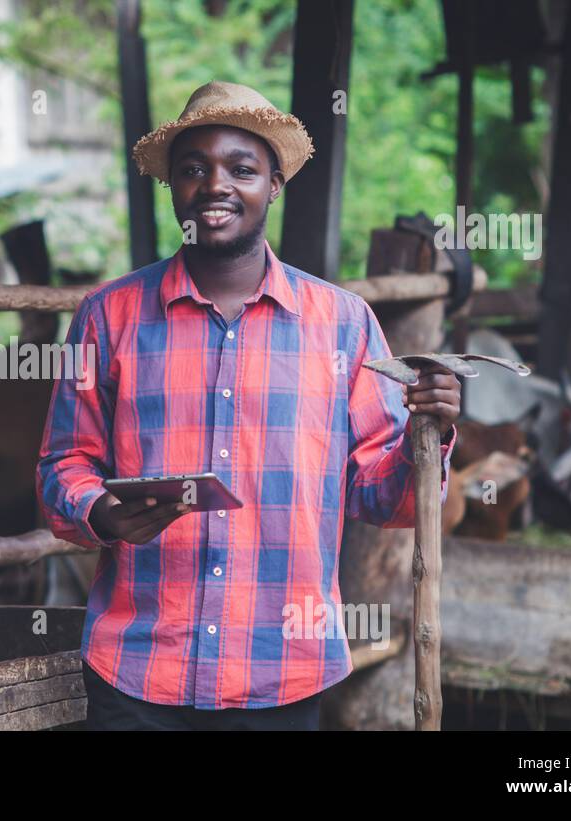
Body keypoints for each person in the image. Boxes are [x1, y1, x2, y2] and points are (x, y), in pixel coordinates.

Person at [36, 80, 461, 731]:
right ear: (173, 186)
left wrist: (429, 431)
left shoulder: (343, 325)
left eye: (241, 168)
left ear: (276, 183)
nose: (215, 185)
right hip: (137, 668)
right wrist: (103, 511)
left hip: (281, 671)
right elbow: (61, 465)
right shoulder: (107, 316)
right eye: (192, 169)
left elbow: (388, 499)